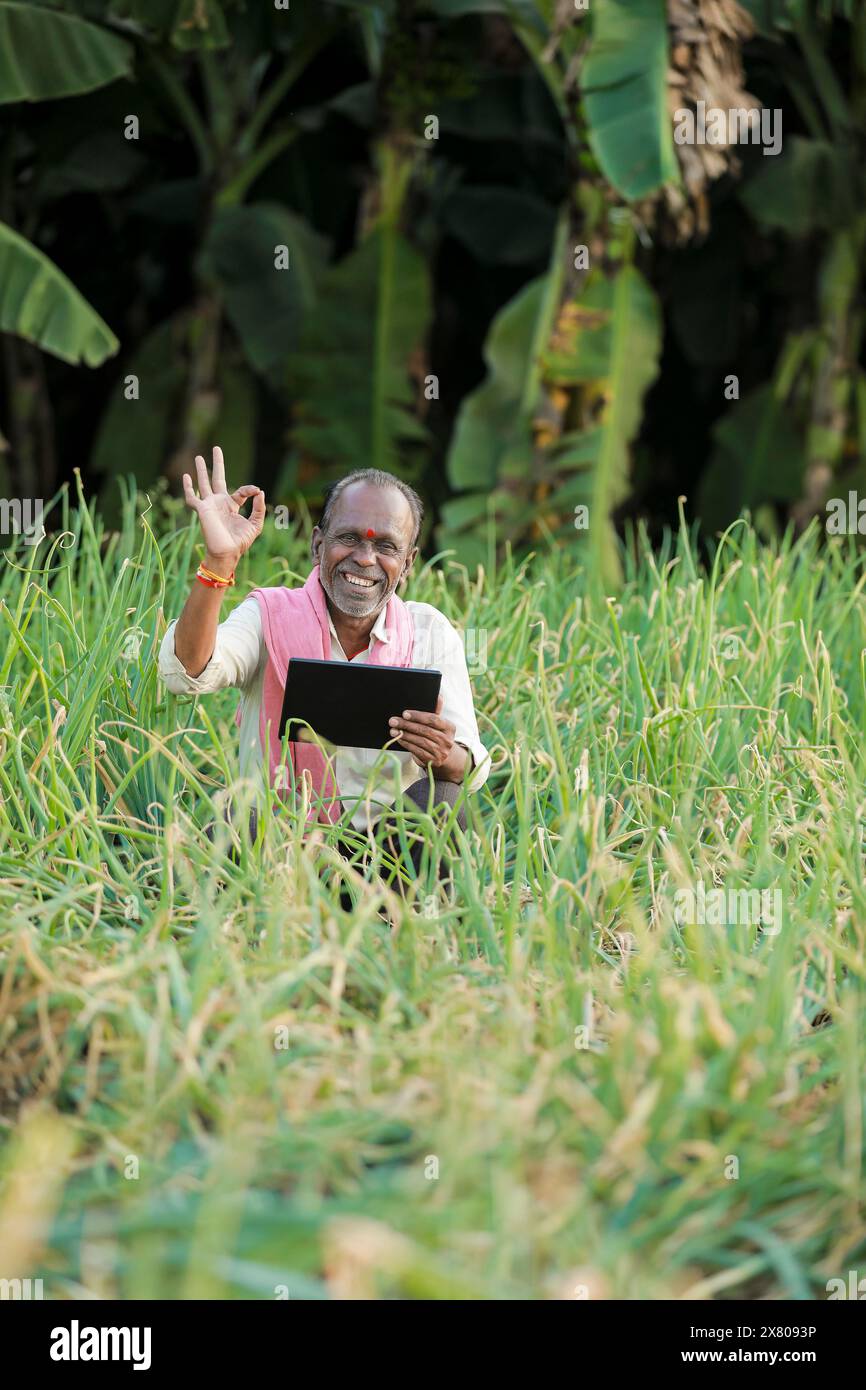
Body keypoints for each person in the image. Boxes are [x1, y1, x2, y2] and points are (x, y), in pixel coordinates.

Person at [157, 447, 490, 893]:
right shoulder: (269, 616)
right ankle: (240, 937)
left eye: (386, 546)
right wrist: (219, 564)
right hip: (277, 851)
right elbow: (187, 672)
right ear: (318, 545)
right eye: (349, 538)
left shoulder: (429, 632)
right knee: (237, 814)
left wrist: (442, 753)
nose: (365, 558)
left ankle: (408, 937)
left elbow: (467, 763)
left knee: (446, 801)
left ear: (407, 564)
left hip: (386, 867)